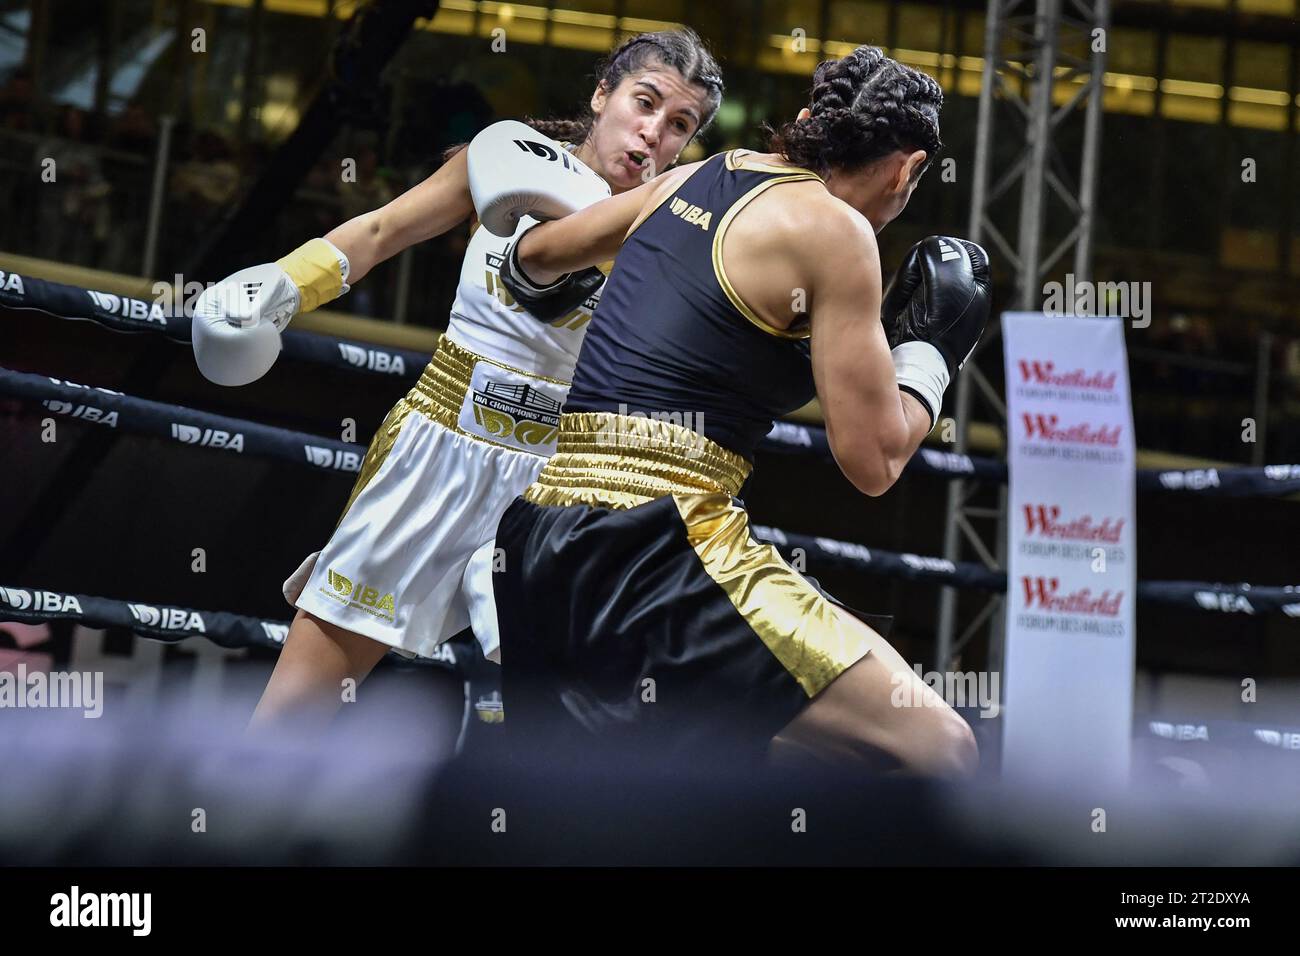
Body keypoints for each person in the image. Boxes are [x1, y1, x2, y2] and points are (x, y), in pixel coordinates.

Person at [187, 29, 724, 734]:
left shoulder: (678, 228)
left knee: (551, 725)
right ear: (603, 94)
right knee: (295, 711)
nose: (653, 133)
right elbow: (380, 231)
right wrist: (285, 284)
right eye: (644, 102)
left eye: (679, 124)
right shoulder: (503, 157)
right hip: (441, 443)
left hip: (556, 484)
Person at [486, 46, 987, 775]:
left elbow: (532, 260)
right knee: (938, 749)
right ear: (907, 170)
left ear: (812, 121)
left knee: (602, 804)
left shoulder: (704, 173)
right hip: (655, 541)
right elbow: (875, 460)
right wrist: (931, 355)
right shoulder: (839, 234)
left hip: (539, 532)